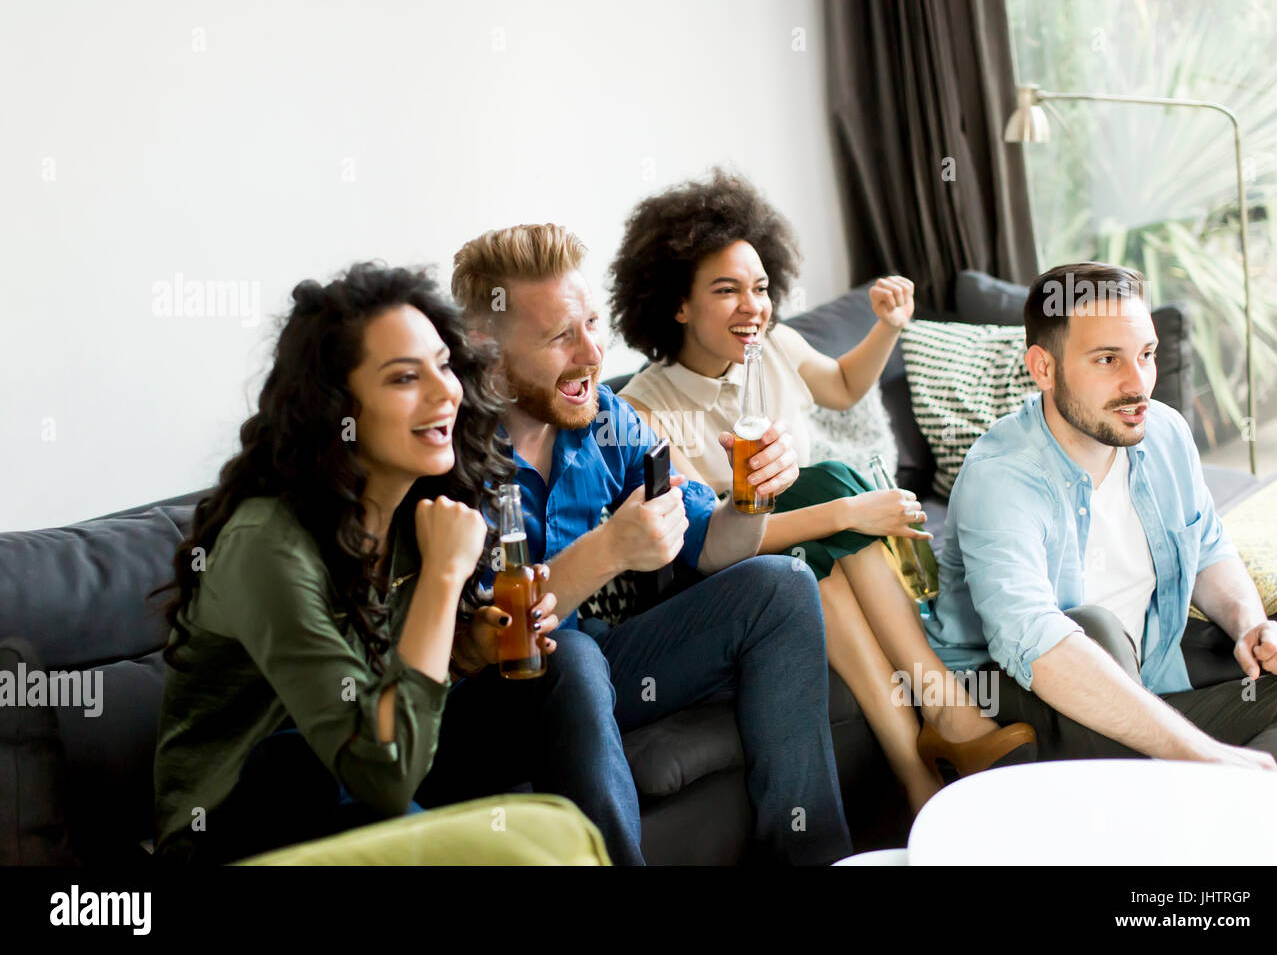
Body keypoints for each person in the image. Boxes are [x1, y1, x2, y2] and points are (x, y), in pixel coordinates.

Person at [609, 170, 1034, 814]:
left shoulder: (772, 344)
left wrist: (889, 327)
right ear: (677, 305)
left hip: (801, 566)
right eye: (727, 291)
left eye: (758, 287)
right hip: (716, 587)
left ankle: (917, 780)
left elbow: (839, 386)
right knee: (827, 484)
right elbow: (702, 547)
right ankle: (946, 708)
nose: (753, 306)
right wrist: (852, 509)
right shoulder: (643, 408)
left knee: (814, 561)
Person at [448, 222, 852, 865]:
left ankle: (810, 855)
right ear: (486, 351)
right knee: (572, 655)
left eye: (592, 325)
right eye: (560, 336)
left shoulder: (603, 419)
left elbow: (715, 547)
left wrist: (750, 497)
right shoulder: (445, 450)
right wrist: (609, 550)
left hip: (584, 680)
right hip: (477, 707)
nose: (590, 354)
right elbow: (479, 646)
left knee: (781, 584)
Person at [152, 263, 564, 863]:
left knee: (566, 666)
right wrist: (445, 579)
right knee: (298, 763)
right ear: (336, 409)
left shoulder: (412, 516)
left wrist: (465, 652)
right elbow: (383, 772)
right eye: (403, 378)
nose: (444, 391)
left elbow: (393, 698)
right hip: (244, 824)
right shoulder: (266, 544)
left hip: (369, 780)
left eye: (444, 365)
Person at [926, 261, 1277, 767]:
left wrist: (1252, 627)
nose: (1138, 383)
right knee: (1093, 630)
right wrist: (1203, 753)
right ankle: (1204, 793)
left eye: (1146, 355)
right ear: (1043, 368)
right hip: (1019, 698)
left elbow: (1208, 547)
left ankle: (1235, 815)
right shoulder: (1001, 477)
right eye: (1107, 360)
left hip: (1150, 677)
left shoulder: (1164, 432)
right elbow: (1039, 644)